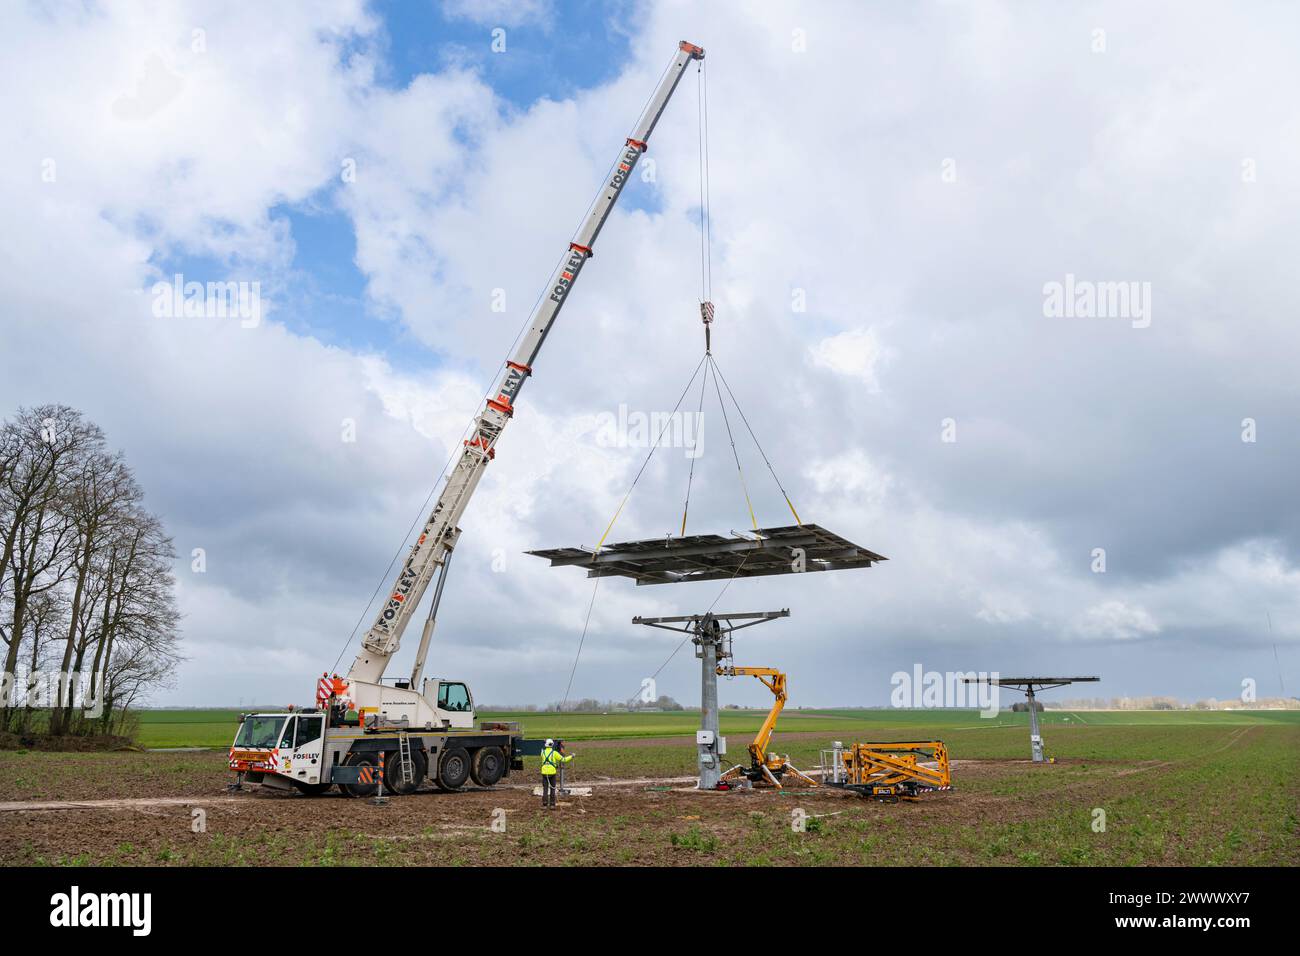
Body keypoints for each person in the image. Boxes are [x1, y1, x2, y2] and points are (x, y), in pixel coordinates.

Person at [539, 737, 573, 809]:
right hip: (552, 773)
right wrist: (571, 756)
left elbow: (543, 753)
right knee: (552, 789)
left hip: (544, 773)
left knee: (545, 789)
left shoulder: (542, 752)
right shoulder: (554, 753)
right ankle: (552, 805)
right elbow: (564, 760)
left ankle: (544, 804)